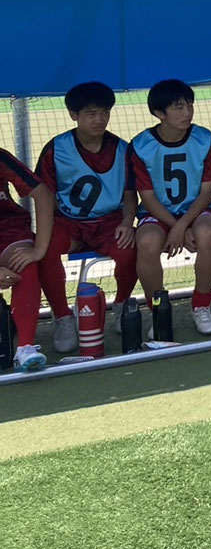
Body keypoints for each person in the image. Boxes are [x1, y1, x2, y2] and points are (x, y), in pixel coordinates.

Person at [34, 81, 139, 354]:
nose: (100, 119)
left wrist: (128, 223)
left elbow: (130, 194)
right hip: (68, 223)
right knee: (44, 250)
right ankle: (63, 317)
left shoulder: (123, 149)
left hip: (109, 222)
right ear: (74, 115)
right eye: (91, 114)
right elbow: (44, 195)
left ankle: (121, 304)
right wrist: (46, 234)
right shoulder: (56, 149)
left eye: (104, 112)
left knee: (130, 248)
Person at [129, 79, 211, 334]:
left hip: (198, 209)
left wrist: (183, 225)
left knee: (208, 233)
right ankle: (159, 311)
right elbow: (147, 198)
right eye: (178, 108)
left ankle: (201, 306)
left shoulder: (204, 138)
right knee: (147, 242)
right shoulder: (140, 145)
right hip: (157, 213)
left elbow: (207, 192)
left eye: (190, 106)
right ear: (159, 113)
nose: (187, 113)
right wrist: (177, 227)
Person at [0, 148, 55, 371]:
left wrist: (39, 249)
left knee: (26, 263)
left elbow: (41, 193)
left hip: (7, 230)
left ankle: (25, 348)